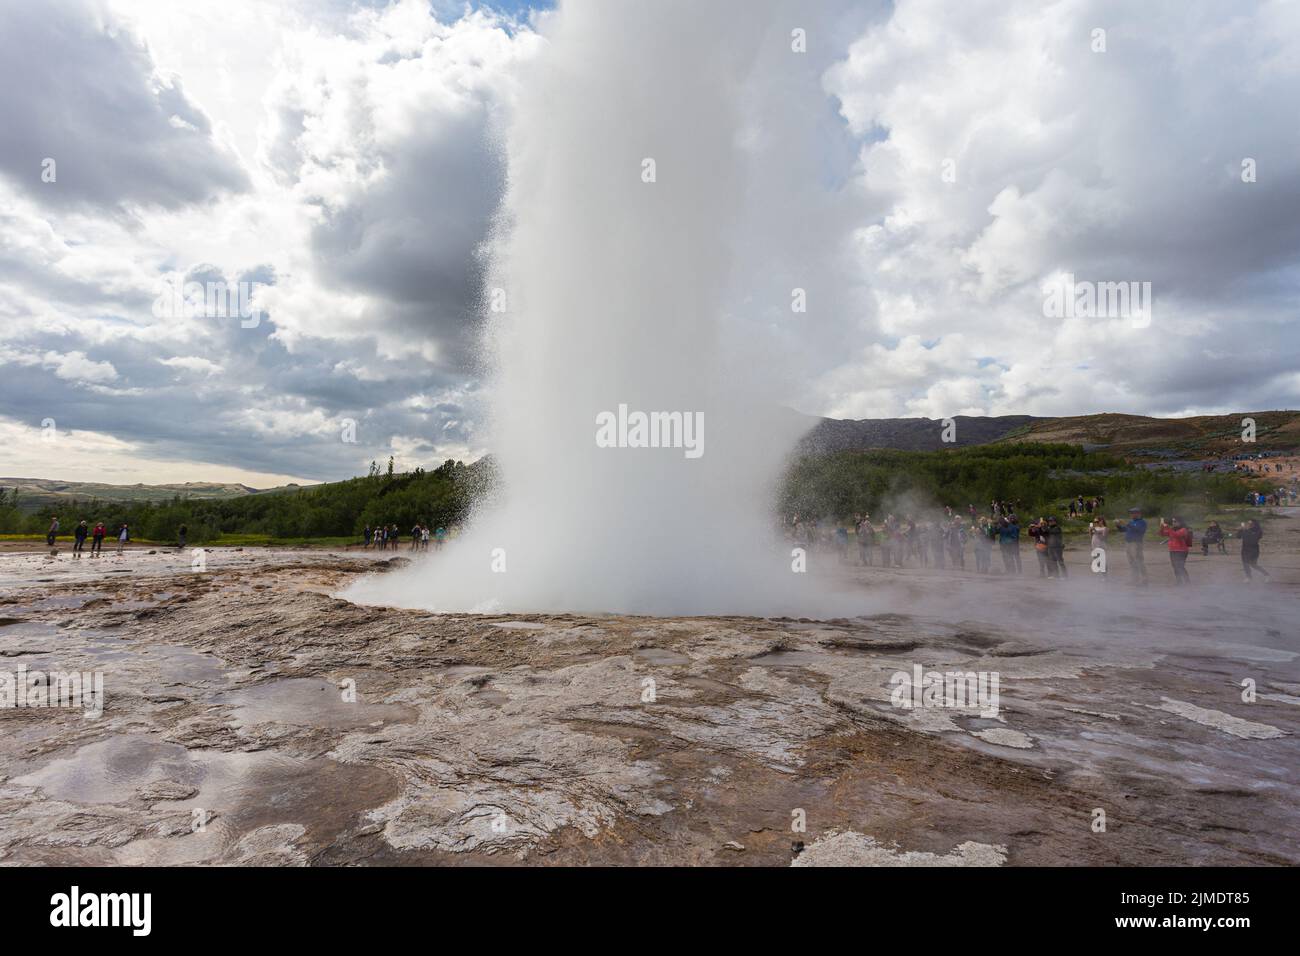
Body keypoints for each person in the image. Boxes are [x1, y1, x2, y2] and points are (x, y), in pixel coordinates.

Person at [1115, 507, 1148, 587]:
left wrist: (1127, 524)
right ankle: (1134, 579)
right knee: (1132, 562)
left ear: (1138, 514)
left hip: (1136, 544)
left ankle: (1144, 579)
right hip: (1128, 544)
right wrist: (1118, 525)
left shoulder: (1142, 522)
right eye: (1131, 513)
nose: (1132, 514)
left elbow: (1139, 530)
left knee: (1139, 561)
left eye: (1133, 513)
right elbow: (1123, 530)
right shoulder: (1131, 522)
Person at [1159, 517, 1193, 585]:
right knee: (1175, 566)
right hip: (1173, 550)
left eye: (1175, 521)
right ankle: (1179, 581)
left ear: (1180, 522)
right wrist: (1162, 527)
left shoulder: (1184, 529)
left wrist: (1168, 528)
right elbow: (1162, 534)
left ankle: (1187, 581)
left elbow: (1177, 535)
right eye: (1173, 521)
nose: (1173, 523)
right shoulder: (1172, 529)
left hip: (1181, 551)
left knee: (1180, 566)